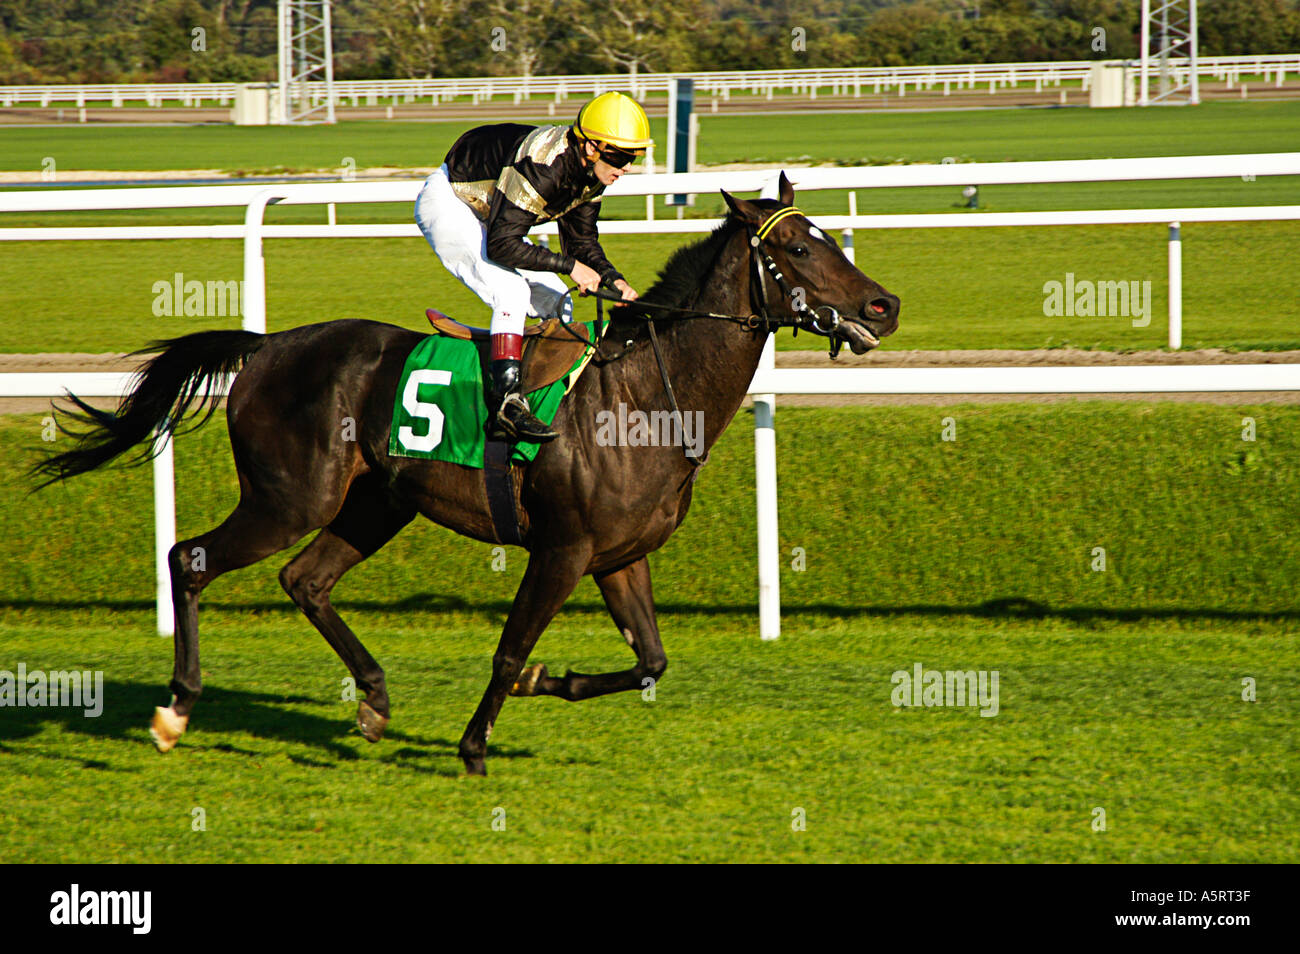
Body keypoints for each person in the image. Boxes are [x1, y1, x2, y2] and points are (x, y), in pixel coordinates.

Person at [415, 91, 653, 443]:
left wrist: (612, 279)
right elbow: (501, 244)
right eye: (620, 156)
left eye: (635, 157)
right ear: (590, 148)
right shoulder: (546, 166)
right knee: (510, 292)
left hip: (493, 216)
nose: (627, 167)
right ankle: (506, 405)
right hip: (452, 202)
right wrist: (570, 267)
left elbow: (581, 243)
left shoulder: (590, 176)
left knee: (560, 302)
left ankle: (552, 396)